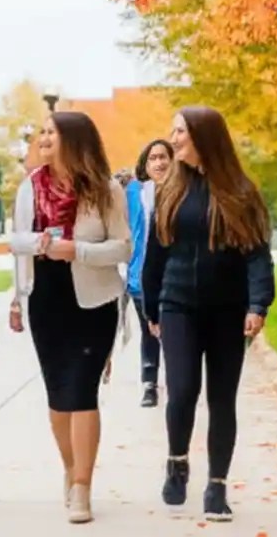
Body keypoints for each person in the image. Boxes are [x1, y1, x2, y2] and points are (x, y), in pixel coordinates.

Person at [142, 107, 275, 523]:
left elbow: (257, 255)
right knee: (181, 391)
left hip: (226, 311)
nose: (173, 139)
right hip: (178, 306)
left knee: (222, 399)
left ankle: (217, 486)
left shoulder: (239, 191)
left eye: (179, 132)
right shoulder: (170, 190)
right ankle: (177, 460)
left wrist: (258, 304)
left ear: (202, 136)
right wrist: (152, 306)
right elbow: (155, 254)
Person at [8, 112, 130, 524]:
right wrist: (39, 250)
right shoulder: (31, 187)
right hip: (46, 300)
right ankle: (69, 466)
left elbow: (122, 248)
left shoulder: (105, 189)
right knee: (59, 398)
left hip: (93, 302)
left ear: (74, 140)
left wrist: (77, 250)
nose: (43, 138)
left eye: (51, 133)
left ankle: (82, 486)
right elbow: (16, 240)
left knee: (82, 392)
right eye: (41, 132)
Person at [125, 139, 173, 408]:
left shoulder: (184, 191)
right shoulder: (134, 192)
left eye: (164, 157)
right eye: (153, 158)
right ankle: (149, 383)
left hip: (175, 276)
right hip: (141, 274)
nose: (159, 163)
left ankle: (177, 382)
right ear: (144, 164)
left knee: (175, 331)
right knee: (149, 330)